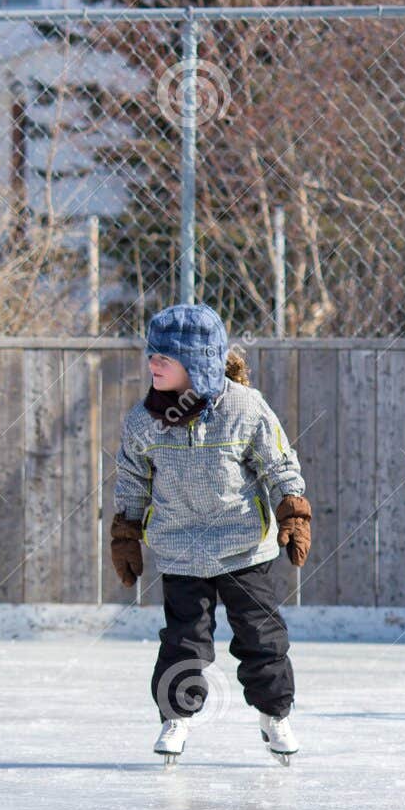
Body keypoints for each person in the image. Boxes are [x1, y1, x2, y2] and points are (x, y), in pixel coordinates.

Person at [110, 304, 312, 764]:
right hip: (182, 551)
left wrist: (293, 511)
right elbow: (132, 479)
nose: (152, 364)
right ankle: (175, 717)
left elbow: (279, 462)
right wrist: (126, 533)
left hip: (243, 548)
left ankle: (274, 714)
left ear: (198, 363)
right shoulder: (144, 420)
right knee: (184, 640)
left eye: (166, 357)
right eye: (152, 355)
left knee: (261, 638)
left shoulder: (244, 407)